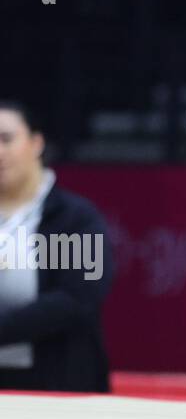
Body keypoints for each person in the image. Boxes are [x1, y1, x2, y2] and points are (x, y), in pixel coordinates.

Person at [0, 101, 115, 393]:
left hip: (57, 386)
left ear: (36, 143)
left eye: (6, 139)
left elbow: (79, 299)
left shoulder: (75, 216)